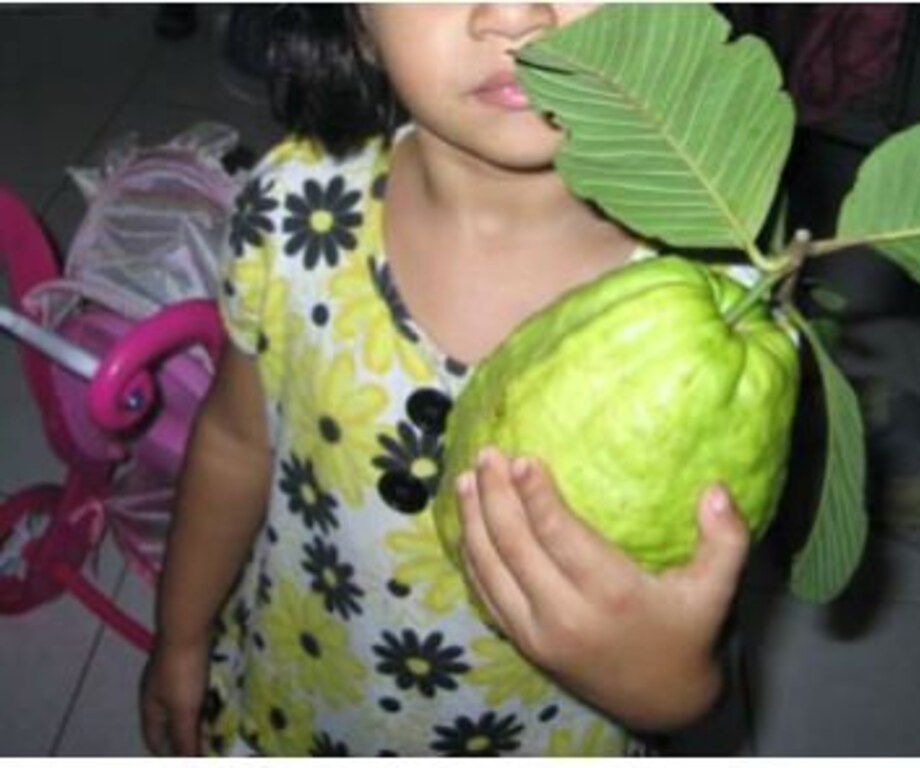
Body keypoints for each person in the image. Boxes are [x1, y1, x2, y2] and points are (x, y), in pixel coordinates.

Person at [139, 4, 751, 757]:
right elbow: (235, 442)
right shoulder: (295, 209)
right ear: (354, 18)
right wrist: (181, 634)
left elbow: (712, 582)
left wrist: (678, 691)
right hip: (298, 702)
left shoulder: (730, 310)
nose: (516, 14)